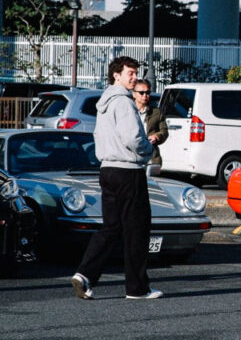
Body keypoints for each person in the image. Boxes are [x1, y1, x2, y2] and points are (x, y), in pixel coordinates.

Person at [71, 56, 161, 300]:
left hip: (107, 169)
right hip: (128, 171)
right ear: (116, 76)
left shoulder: (104, 102)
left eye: (135, 73)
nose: (134, 77)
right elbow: (133, 138)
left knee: (111, 227)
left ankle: (84, 274)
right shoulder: (123, 102)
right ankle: (137, 288)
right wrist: (148, 150)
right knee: (137, 230)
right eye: (130, 73)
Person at [133, 79, 168, 165]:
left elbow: (164, 131)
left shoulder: (156, 112)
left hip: (151, 158)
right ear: (134, 94)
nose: (145, 95)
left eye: (147, 93)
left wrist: (157, 136)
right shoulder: (127, 110)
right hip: (131, 158)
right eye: (141, 93)